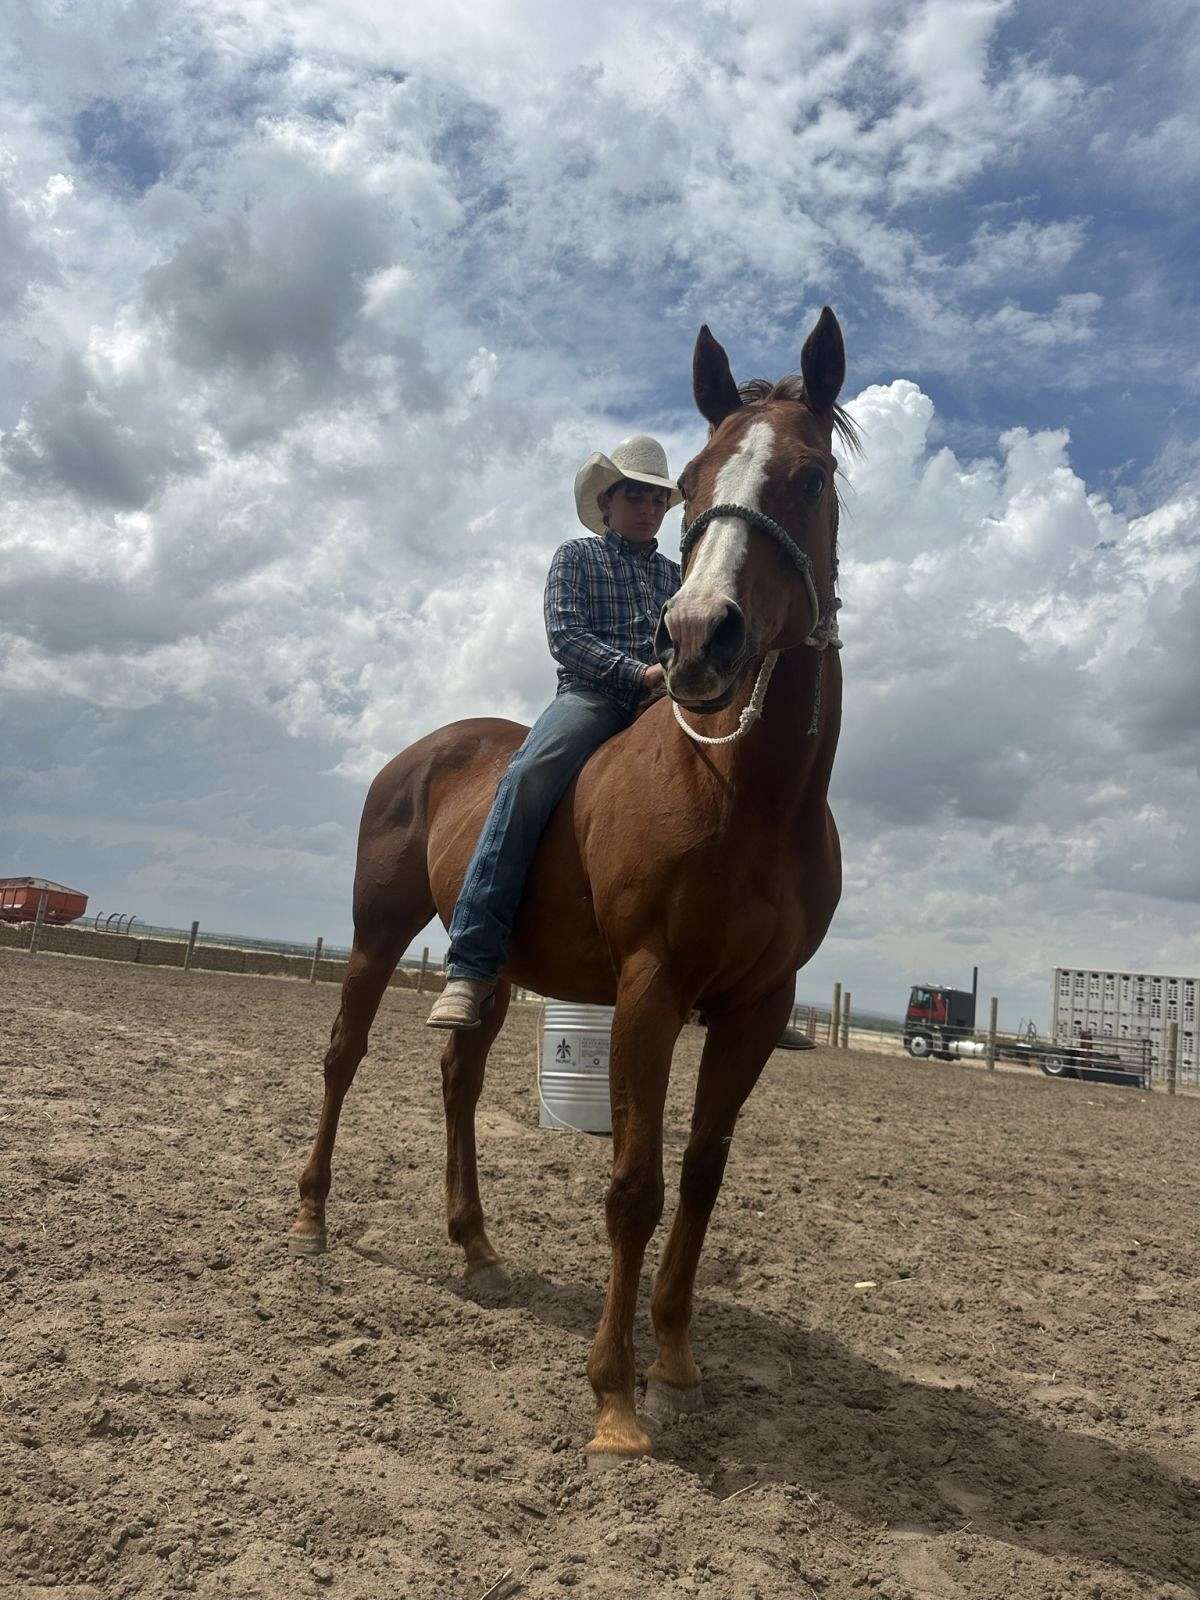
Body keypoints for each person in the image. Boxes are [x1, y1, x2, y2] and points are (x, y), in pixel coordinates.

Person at [427, 435, 683, 1029]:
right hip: (593, 698)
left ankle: (747, 978)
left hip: (665, 706)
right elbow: (566, 636)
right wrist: (639, 673)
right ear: (607, 502)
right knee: (527, 778)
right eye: (637, 496)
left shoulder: (678, 576)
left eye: (658, 500)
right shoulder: (576, 558)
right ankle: (472, 963)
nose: (649, 509)